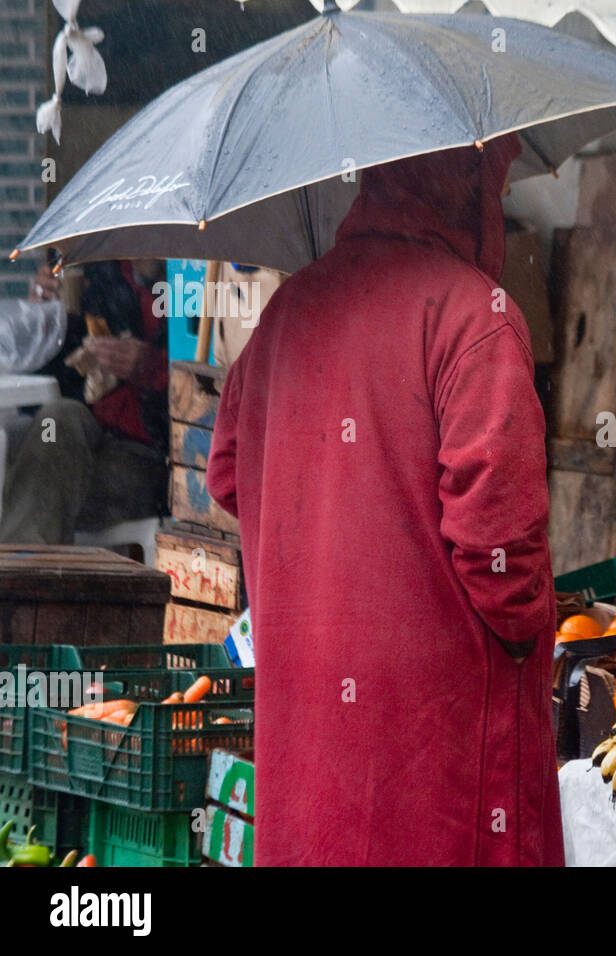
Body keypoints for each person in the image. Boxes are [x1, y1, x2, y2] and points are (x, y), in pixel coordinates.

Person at [207, 135, 564, 866]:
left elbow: (227, 477)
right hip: (442, 751)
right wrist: (529, 632)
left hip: (308, 745)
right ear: (469, 182)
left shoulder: (287, 313)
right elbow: (502, 561)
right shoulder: (475, 317)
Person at [0, 259, 168, 543]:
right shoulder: (103, 276)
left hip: (147, 463)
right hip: (80, 440)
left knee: (53, 436)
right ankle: (23, 566)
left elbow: (206, 389)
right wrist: (43, 320)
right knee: (38, 431)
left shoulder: (194, 287)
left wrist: (152, 367)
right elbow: (53, 381)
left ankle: (23, 576)